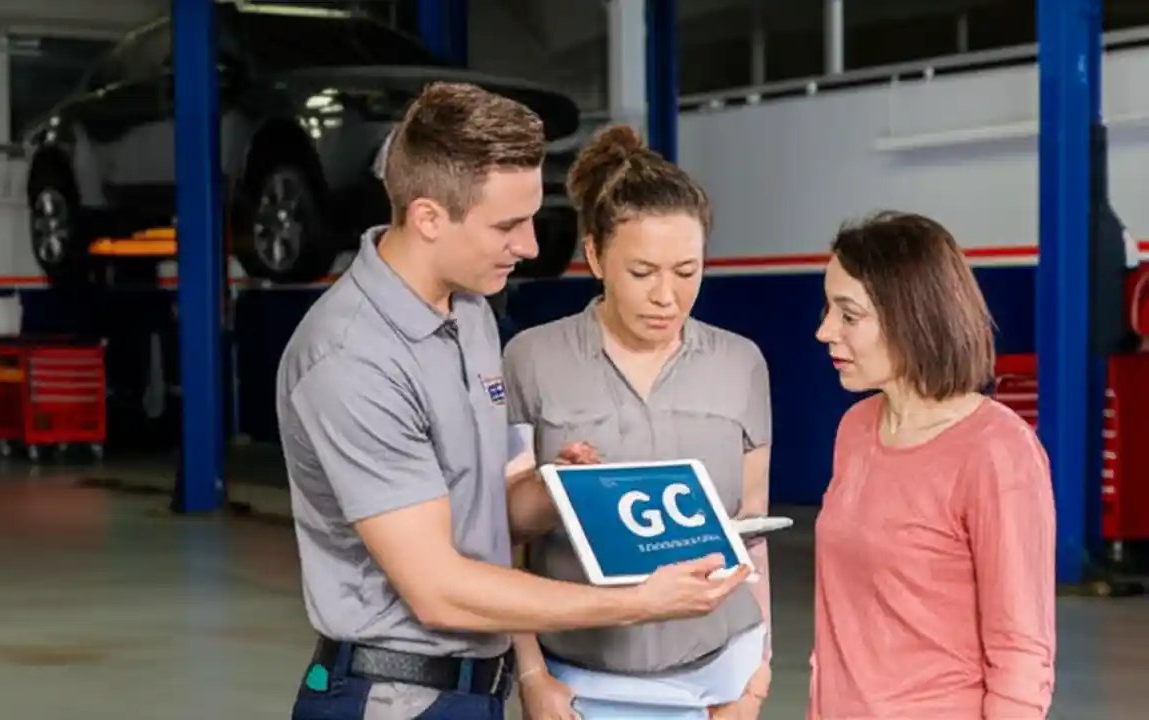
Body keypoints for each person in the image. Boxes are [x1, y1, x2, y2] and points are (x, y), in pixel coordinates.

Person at [275, 82, 751, 720]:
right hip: (393, 696)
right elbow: (438, 590)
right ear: (428, 217)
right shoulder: (352, 360)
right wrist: (639, 603)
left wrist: (553, 489)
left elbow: (484, 519)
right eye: (506, 225)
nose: (528, 245)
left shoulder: (470, 313)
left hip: (473, 686)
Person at [501, 124, 775, 720]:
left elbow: (751, 529)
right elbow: (506, 537)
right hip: (580, 682)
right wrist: (532, 676)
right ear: (596, 256)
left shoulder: (741, 363)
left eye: (687, 271)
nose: (667, 297)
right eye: (643, 272)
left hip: (719, 676)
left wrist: (756, 675)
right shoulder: (531, 359)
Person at [809, 211, 1056, 719]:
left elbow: (1021, 649)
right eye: (828, 309)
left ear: (911, 317)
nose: (824, 331)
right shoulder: (856, 430)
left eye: (849, 316)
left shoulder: (996, 451)